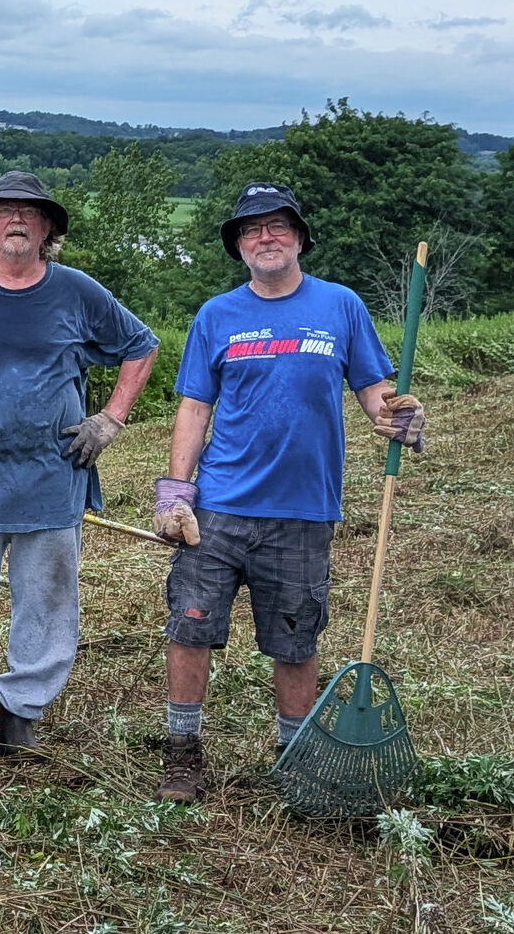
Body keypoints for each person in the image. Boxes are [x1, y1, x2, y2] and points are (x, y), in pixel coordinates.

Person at [155, 184, 425, 801]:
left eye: (277, 227)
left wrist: (400, 418)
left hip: (303, 509)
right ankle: (182, 753)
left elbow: (375, 394)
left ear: (299, 239)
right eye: (252, 230)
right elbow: (195, 408)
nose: (265, 238)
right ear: (239, 247)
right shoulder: (216, 316)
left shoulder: (341, 306)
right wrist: (176, 492)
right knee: (190, 626)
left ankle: (294, 757)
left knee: (295, 637)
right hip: (219, 508)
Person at [0, 170, 159, 756]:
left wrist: (110, 419)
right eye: (3, 211)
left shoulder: (76, 290)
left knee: (47, 599)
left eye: (30, 212)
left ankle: (21, 716)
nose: (16, 219)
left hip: (52, 474)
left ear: (47, 230)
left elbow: (141, 345)